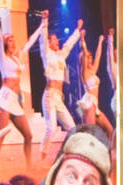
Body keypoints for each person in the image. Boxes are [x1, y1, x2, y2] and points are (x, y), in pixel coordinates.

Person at [0, 11, 40, 170]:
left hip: (14, 100)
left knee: (29, 136)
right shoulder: (2, 57)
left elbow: (30, 42)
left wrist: (42, 25)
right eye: (9, 39)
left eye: (13, 39)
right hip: (4, 98)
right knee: (2, 133)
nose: (12, 42)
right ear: (5, 43)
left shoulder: (17, 58)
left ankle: (29, 165)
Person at [35, 11, 82, 158]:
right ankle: (42, 155)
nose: (57, 41)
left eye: (56, 39)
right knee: (51, 128)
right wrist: (45, 20)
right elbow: (42, 39)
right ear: (49, 43)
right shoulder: (47, 54)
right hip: (49, 95)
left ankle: (69, 153)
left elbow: (69, 44)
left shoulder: (61, 55)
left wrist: (77, 30)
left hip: (58, 97)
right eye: (54, 40)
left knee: (71, 127)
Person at [77, 30, 112, 138]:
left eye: (90, 57)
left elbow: (98, 56)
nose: (90, 59)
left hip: (95, 104)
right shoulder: (85, 72)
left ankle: (110, 153)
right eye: (88, 57)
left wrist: (100, 41)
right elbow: (84, 51)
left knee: (110, 130)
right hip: (89, 103)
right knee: (90, 134)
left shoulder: (92, 71)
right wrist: (82, 39)